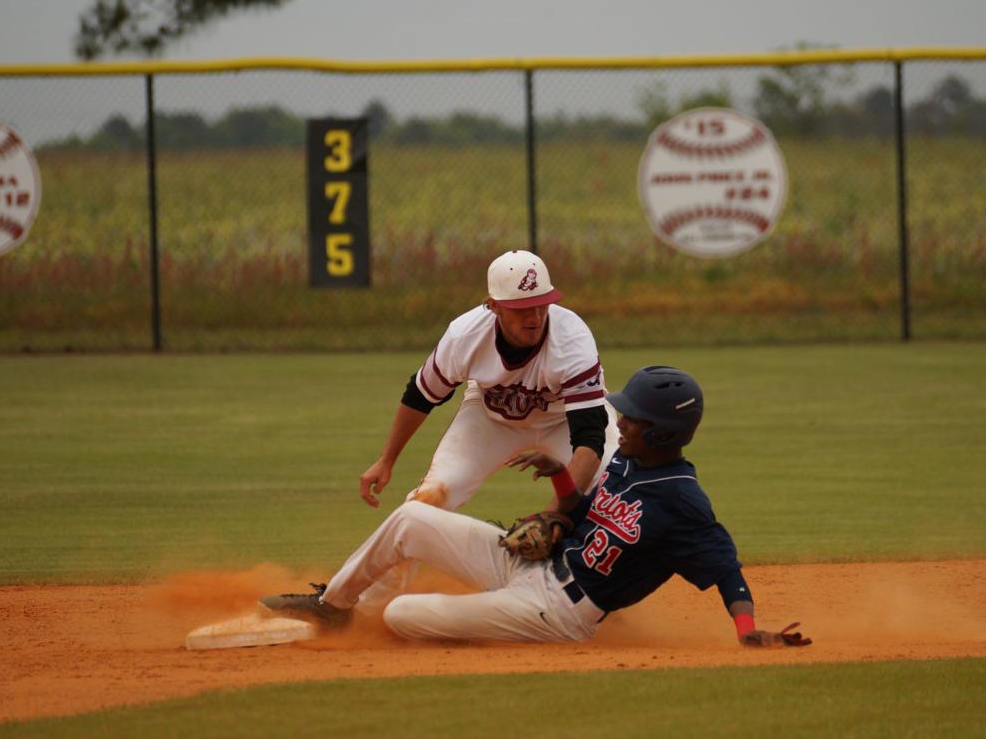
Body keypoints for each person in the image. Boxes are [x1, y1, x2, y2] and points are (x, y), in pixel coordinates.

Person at [261, 366, 811, 648]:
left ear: (664, 433)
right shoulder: (624, 464)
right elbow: (578, 513)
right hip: (530, 567)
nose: (620, 422)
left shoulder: (683, 503)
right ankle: (333, 606)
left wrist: (747, 632)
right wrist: (558, 494)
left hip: (559, 613)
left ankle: (497, 623)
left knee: (403, 615)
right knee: (409, 518)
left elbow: (726, 569)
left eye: (633, 418)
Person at [357, 249, 618, 512]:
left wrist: (553, 516)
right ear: (493, 306)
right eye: (522, 308)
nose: (535, 317)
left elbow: (589, 438)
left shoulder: (572, 340)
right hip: (491, 418)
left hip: (563, 420)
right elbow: (421, 395)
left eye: (541, 303)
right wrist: (386, 460)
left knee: (615, 490)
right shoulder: (465, 335)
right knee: (429, 501)